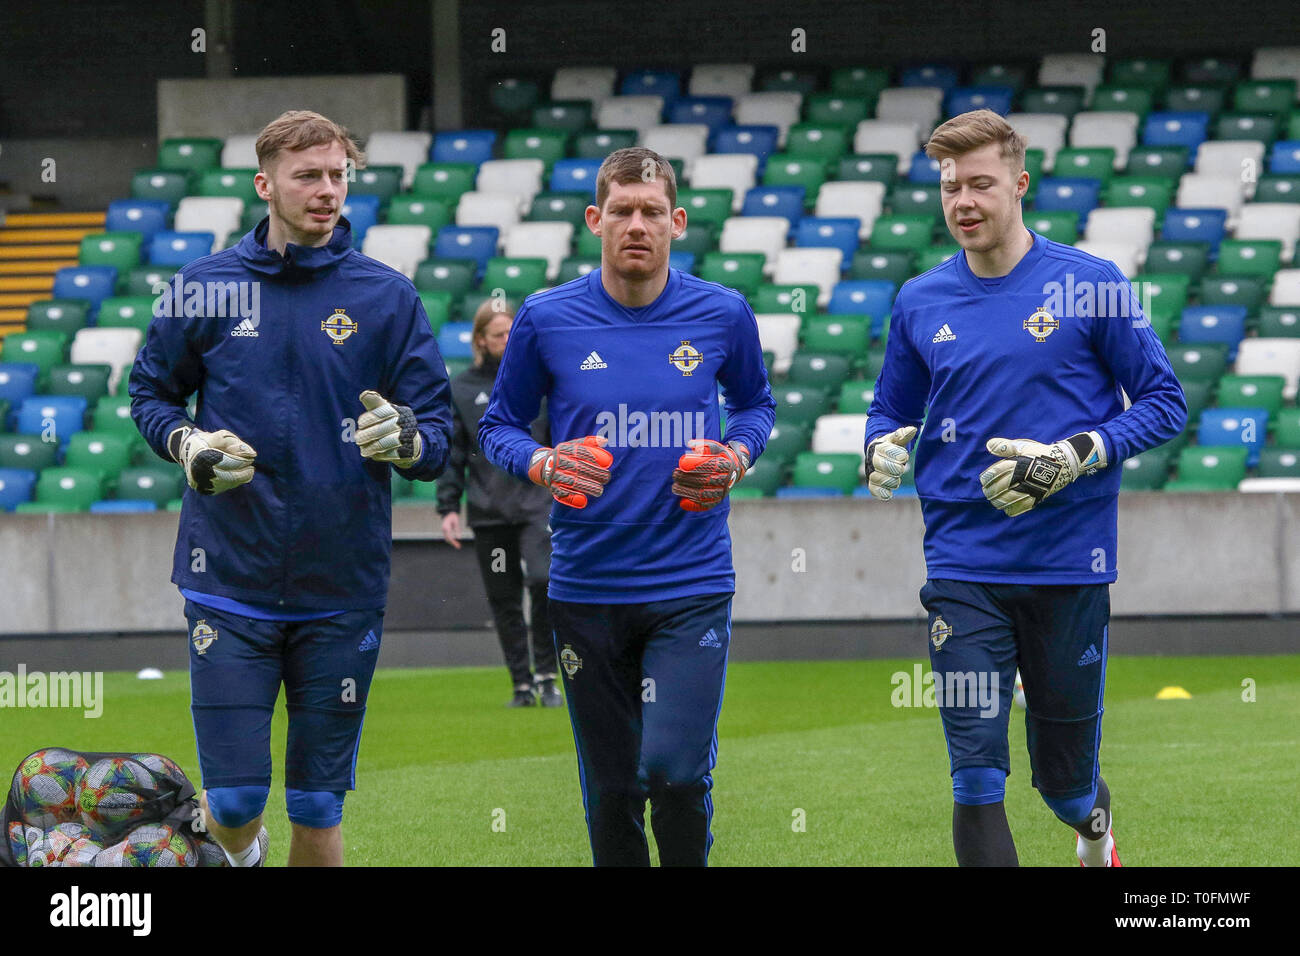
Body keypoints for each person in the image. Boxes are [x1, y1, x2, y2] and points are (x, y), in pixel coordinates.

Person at [129, 109, 452, 867]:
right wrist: (187, 442)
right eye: (309, 176)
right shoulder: (203, 289)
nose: (328, 190)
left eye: (339, 175)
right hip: (227, 580)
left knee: (316, 803)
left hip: (341, 587)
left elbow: (436, 432)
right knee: (236, 803)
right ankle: (241, 853)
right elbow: (150, 395)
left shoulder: (387, 297)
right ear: (264, 183)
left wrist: (409, 440)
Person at [864, 109, 1187, 867]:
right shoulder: (919, 300)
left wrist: (1078, 452)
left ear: (1020, 183)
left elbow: (1164, 402)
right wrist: (878, 445)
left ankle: (1094, 831)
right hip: (963, 565)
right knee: (975, 772)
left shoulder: (1091, 285)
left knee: (1065, 787)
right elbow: (892, 407)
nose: (963, 201)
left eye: (980, 183)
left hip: (1067, 565)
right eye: (950, 187)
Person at [478, 146, 776, 866]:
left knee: (674, 772)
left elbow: (756, 407)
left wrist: (735, 456)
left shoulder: (722, 313)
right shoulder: (547, 319)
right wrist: (545, 461)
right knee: (611, 791)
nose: (636, 224)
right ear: (595, 220)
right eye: (621, 210)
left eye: (651, 211)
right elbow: (498, 427)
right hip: (586, 588)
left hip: (691, 583)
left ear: (676, 221)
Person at [438, 300, 561, 708]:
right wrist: (448, 508)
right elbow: (454, 453)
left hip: (536, 504)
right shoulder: (462, 387)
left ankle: (547, 673)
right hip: (490, 512)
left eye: (512, 333)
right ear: (480, 341)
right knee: (504, 597)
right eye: (497, 335)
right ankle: (521, 684)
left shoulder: (540, 382)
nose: (506, 341)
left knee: (544, 581)